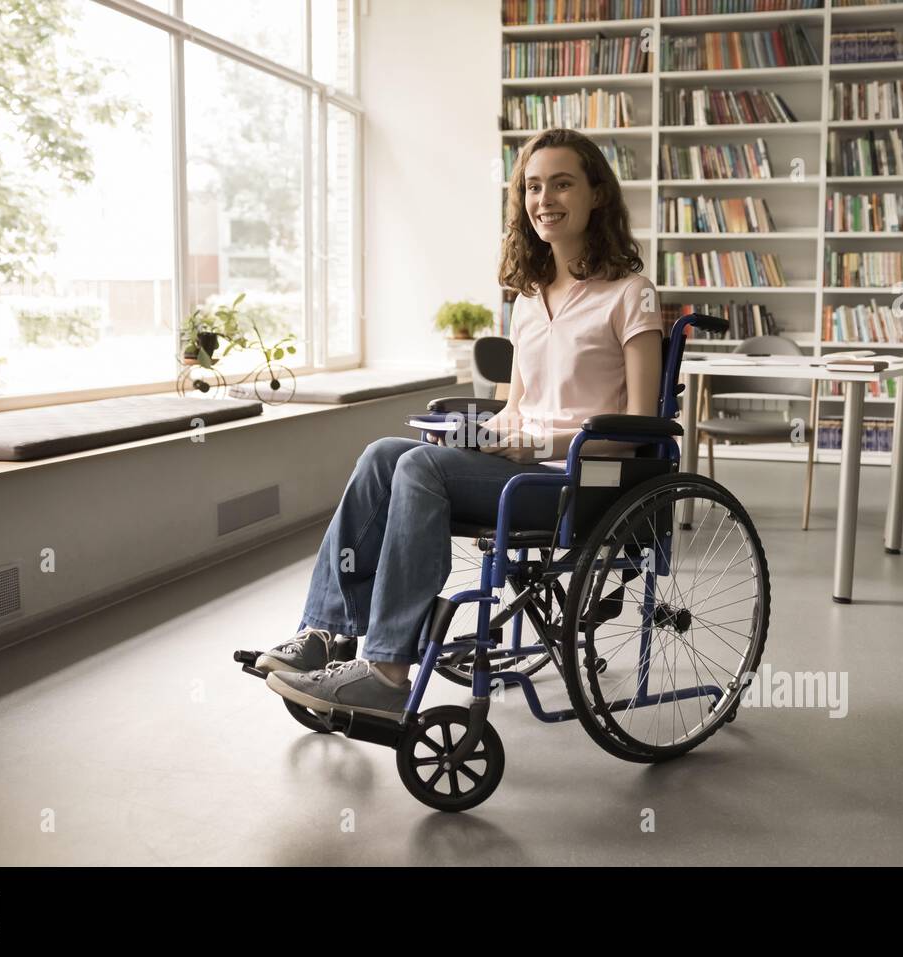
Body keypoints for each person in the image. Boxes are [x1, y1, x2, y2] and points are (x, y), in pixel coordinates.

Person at [263, 128, 664, 719]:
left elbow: (641, 429)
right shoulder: (527, 299)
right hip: (519, 468)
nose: (544, 199)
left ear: (596, 194)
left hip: (581, 481)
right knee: (384, 453)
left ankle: (388, 670)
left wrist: (543, 444)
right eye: (532, 187)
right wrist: (476, 435)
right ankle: (326, 630)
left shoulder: (631, 294)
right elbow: (514, 407)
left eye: (561, 184)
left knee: (421, 469)